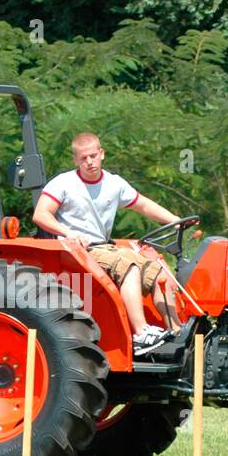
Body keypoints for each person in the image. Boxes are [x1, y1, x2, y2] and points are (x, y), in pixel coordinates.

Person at [33, 132, 182, 355]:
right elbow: (41, 215)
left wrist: (174, 220)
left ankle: (176, 331)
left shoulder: (114, 183)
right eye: (83, 158)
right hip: (77, 250)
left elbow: (142, 205)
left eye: (93, 156)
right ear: (76, 160)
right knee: (128, 267)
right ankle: (141, 334)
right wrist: (68, 232)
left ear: (102, 154)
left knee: (157, 272)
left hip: (105, 247)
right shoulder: (63, 183)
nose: (89, 162)